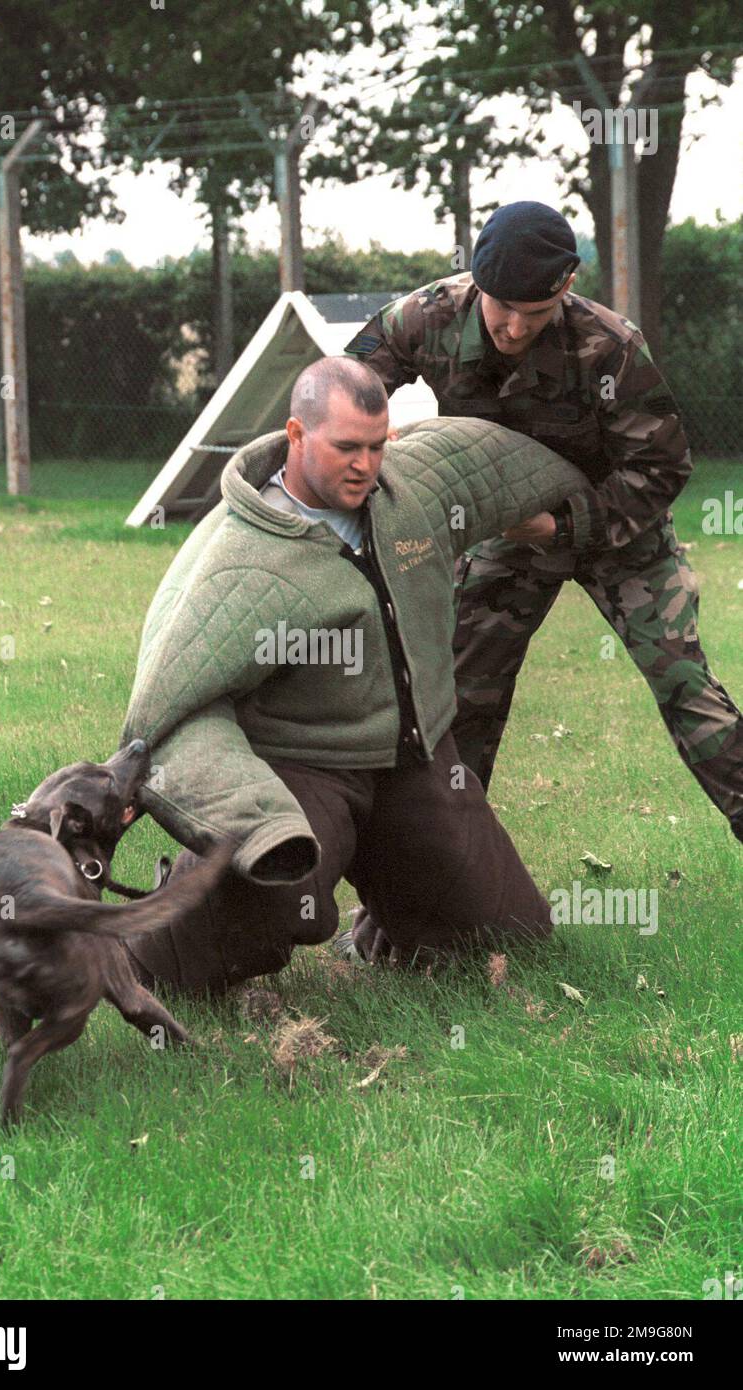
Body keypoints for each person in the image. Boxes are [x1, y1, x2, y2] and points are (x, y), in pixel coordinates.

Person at [117, 356, 585, 995]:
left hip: (415, 761)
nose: (365, 465)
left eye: (376, 445)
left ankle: (386, 931)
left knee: (509, 941)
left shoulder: (413, 490)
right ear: (297, 435)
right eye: (345, 448)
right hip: (301, 769)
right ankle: (146, 946)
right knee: (271, 892)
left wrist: (591, 502)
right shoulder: (235, 560)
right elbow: (167, 712)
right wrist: (253, 821)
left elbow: (516, 464)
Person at [345, 200, 743, 845]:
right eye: (499, 304)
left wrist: (561, 527)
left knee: (683, 683)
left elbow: (662, 467)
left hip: (621, 533)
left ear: (567, 284)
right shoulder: (424, 318)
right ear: (476, 282)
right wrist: (358, 439)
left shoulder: (610, 345)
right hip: (509, 532)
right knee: (461, 699)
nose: (510, 326)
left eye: (533, 312)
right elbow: (347, 382)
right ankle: (435, 893)